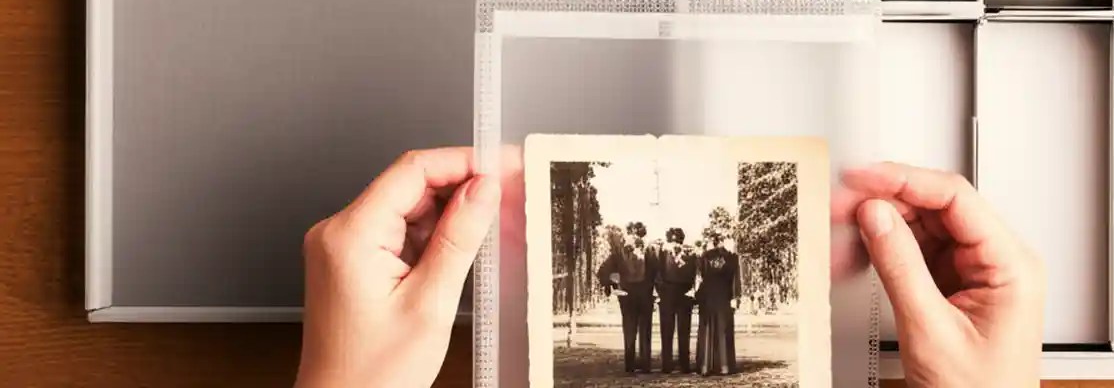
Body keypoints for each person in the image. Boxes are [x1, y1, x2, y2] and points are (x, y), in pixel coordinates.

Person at [295, 152, 1044, 388]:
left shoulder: (704, 254)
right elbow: (622, 271)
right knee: (646, 349)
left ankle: (701, 368)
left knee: (703, 348)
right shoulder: (638, 253)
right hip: (649, 301)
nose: (675, 233)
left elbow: (730, 277)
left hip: (690, 300)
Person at [596, 238, 652, 373]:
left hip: (638, 295)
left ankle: (638, 364)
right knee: (634, 330)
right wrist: (613, 286)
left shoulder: (649, 254)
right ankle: (637, 364)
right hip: (632, 295)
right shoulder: (621, 255)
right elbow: (603, 271)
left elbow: (603, 271)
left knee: (635, 329)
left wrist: (612, 286)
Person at [694, 229, 740, 375]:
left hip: (708, 297)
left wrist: (697, 296)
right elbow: (735, 279)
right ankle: (724, 365)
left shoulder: (704, 257)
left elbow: (698, 279)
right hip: (724, 297)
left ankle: (705, 366)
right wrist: (735, 297)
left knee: (707, 330)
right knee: (723, 329)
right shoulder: (732, 258)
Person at [656, 227, 697, 373]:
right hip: (667, 294)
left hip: (684, 294)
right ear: (668, 241)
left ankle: (684, 364)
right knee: (666, 331)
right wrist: (660, 292)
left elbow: (694, 274)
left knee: (684, 330)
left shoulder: (690, 255)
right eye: (672, 241)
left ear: (682, 241)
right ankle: (667, 364)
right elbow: (658, 273)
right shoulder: (662, 254)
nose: (675, 244)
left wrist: (692, 291)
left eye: (678, 241)